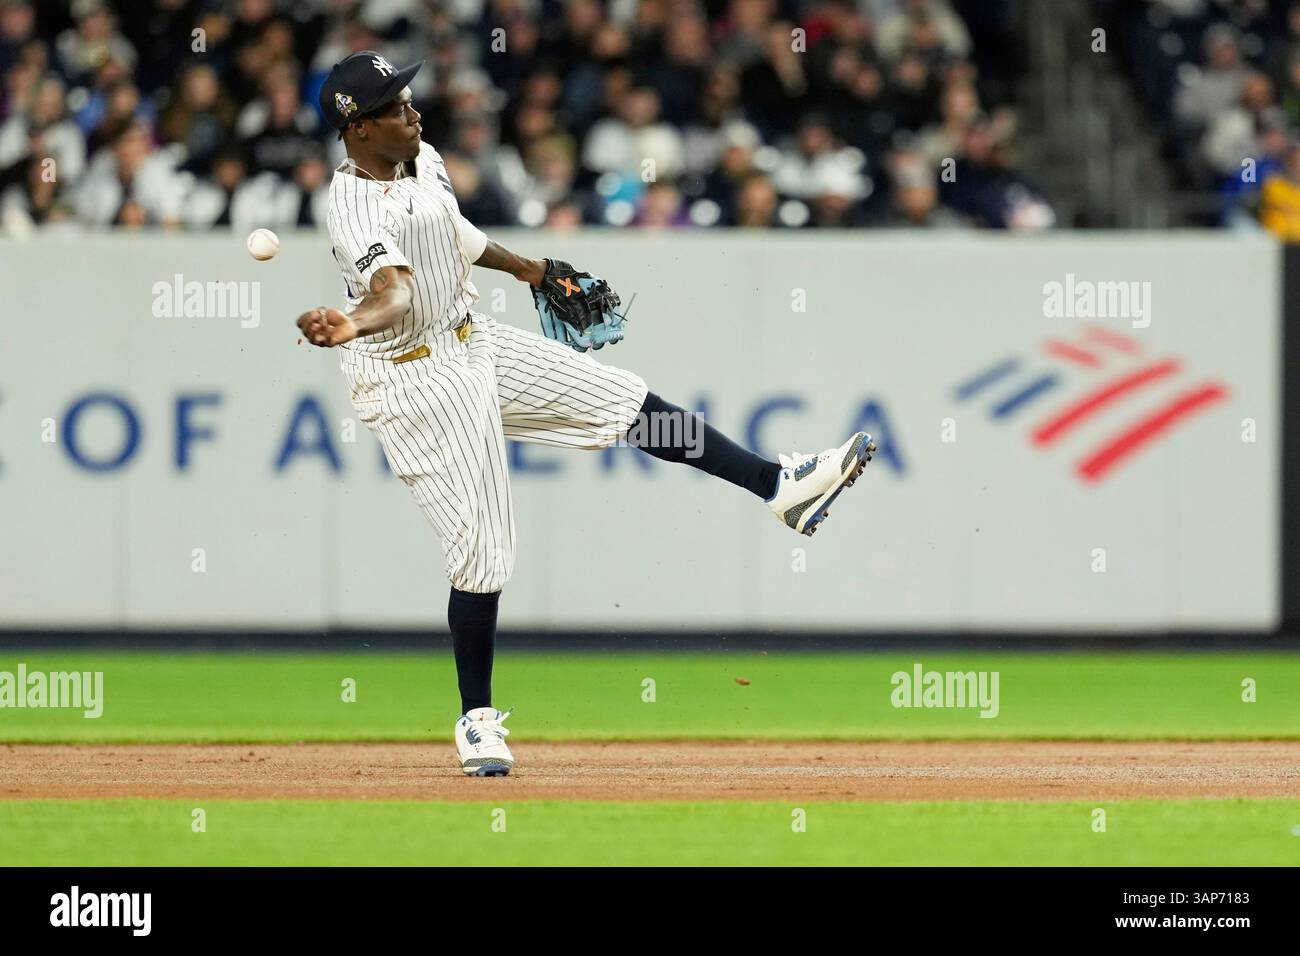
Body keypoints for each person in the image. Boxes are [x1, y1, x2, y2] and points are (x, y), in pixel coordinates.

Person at [295, 52, 876, 776]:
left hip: (471, 340)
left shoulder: (421, 158)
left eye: (410, 97)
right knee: (483, 549)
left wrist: (533, 270)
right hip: (413, 376)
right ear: (357, 129)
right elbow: (395, 290)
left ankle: (779, 486)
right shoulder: (352, 204)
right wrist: (353, 323)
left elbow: (456, 237)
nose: (413, 111)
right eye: (394, 106)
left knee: (627, 402)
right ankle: (476, 720)